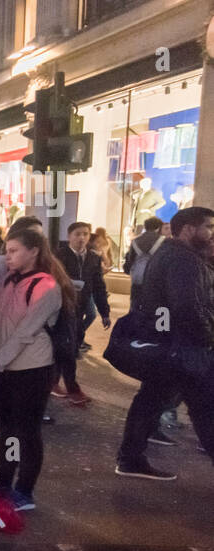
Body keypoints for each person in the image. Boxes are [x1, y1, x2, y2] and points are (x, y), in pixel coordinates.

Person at [0, 228, 76, 511]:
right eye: (6, 251)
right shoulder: (11, 280)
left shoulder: (46, 286)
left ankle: (24, 491)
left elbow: (25, 331)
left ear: (33, 251)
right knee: (7, 429)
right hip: (6, 369)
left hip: (32, 369)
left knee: (27, 431)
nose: (7, 257)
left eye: (13, 251)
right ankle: (4, 482)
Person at [115, 205, 214, 479]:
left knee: (152, 399)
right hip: (185, 347)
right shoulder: (184, 260)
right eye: (208, 227)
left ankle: (130, 458)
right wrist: (207, 336)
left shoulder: (174, 254)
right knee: (206, 408)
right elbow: (188, 308)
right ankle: (130, 458)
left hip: (171, 347)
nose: (211, 233)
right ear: (189, 229)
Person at [53, 222, 111, 408]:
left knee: (72, 346)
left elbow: (99, 286)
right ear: (69, 236)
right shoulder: (59, 255)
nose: (82, 238)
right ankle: (72, 388)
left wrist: (104, 311)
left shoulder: (93, 258)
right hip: (60, 309)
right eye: (78, 234)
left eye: (85, 234)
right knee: (67, 350)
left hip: (80, 308)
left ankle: (53, 382)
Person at [123, 216, 165, 309]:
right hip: (155, 278)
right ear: (158, 228)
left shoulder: (135, 241)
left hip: (137, 277)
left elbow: (130, 259)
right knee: (152, 307)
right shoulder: (163, 241)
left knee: (135, 304)